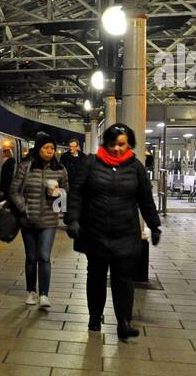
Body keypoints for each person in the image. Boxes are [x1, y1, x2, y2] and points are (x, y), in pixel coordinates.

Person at [65, 123, 160, 340]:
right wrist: (72, 219)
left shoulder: (135, 167)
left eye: (122, 144)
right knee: (96, 276)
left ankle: (124, 322)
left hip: (125, 231)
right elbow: (76, 193)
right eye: (112, 144)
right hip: (95, 230)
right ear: (105, 143)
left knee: (124, 279)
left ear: (129, 145)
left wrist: (154, 225)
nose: (117, 148)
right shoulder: (90, 163)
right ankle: (94, 318)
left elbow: (145, 199)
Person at [9, 131, 69, 308]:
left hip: (49, 221)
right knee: (31, 257)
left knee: (44, 256)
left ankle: (44, 294)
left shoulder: (60, 169)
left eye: (52, 148)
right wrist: (23, 208)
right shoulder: (26, 166)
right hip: (28, 220)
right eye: (46, 147)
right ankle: (31, 292)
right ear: (38, 149)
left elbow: (65, 196)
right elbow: (14, 191)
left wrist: (58, 194)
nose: (50, 151)